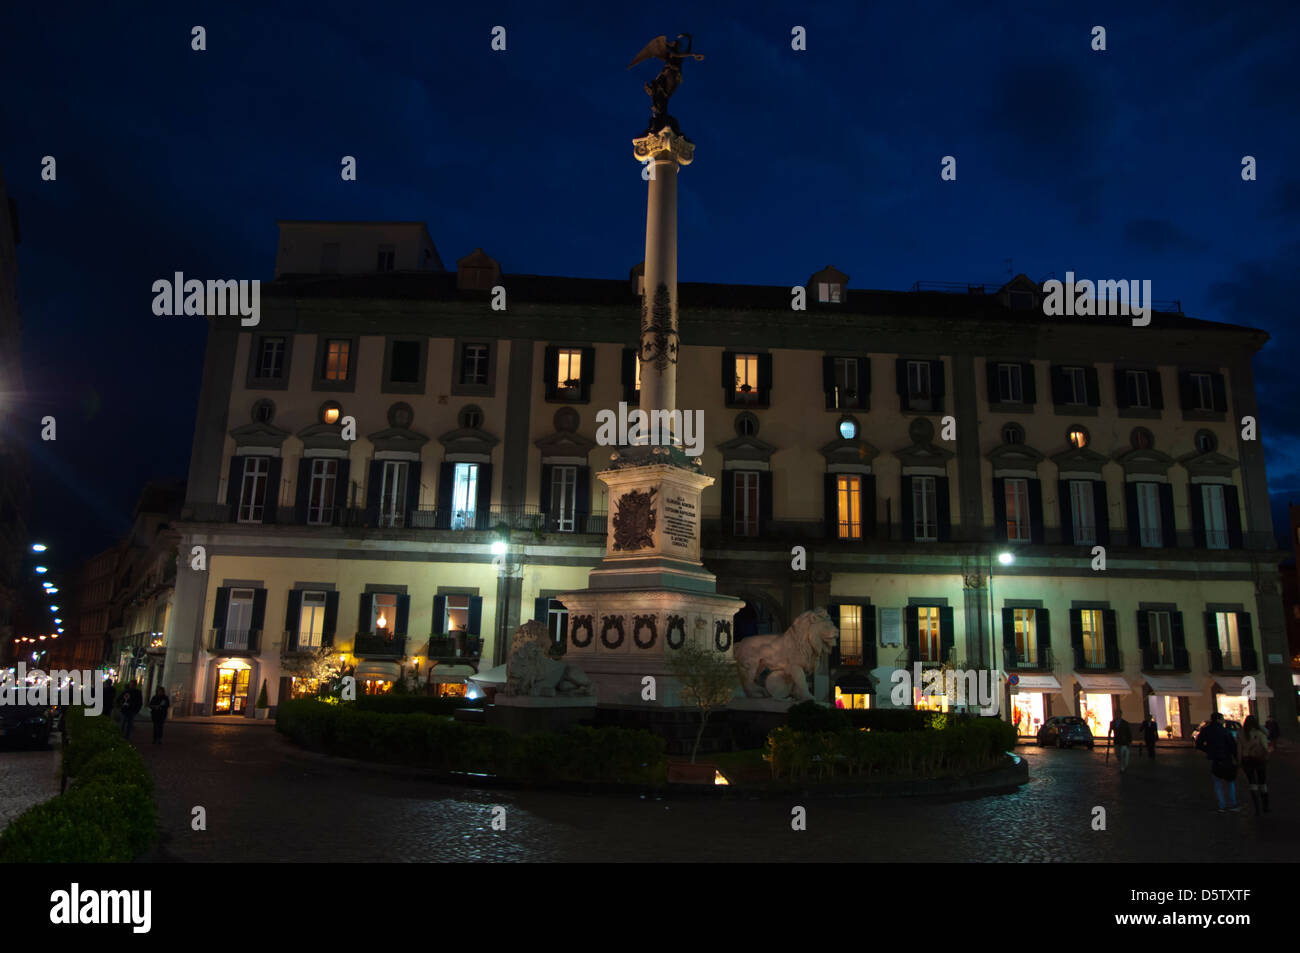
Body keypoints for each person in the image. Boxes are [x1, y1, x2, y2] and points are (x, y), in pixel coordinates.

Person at [1196, 712, 1240, 813]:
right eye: (1222, 718)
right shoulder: (1225, 731)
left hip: (1214, 759)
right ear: (1219, 719)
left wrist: (1208, 750)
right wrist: (1236, 758)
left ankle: (1222, 805)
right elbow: (1233, 746)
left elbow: (1199, 744)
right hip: (1226, 758)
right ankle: (1232, 804)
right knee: (1230, 781)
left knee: (1217, 782)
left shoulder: (1206, 730)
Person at [1240, 715, 1270, 814]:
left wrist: (1238, 760)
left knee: (1252, 783)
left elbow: (1238, 749)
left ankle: (1257, 808)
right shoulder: (1260, 733)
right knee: (1262, 782)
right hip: (1259, 759)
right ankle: (1265, 806)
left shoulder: (1241, 734)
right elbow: (1265, 747)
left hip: (1246, 759)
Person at [1107, 708, 1132, 773]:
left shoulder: (1125, 723)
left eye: (1118, 714)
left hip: (1123, 741)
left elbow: (1128, 732)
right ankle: (1122, 764)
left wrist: (1129, 741)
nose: (1117, 715)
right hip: (1116, 741)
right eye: (1116, 714)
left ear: (1121, 714)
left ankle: (1122, 767)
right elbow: (1110, 730)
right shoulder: (1112, 722)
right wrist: (1109, 737)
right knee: (1117, 754)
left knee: (1122, 754)